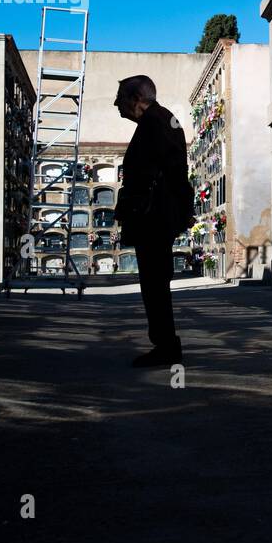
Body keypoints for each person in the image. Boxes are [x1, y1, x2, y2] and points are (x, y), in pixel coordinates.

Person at [113, 75, 193, 367]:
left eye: (120, 96)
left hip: (153, 217)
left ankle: (166, 346)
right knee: (156, 281)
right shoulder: (164, 120)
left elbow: (154, 174)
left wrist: (133, 208)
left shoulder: (154, 123)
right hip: (160, 215)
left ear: (136, 98)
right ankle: (165, 343)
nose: (116, 102)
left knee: (154, 283)